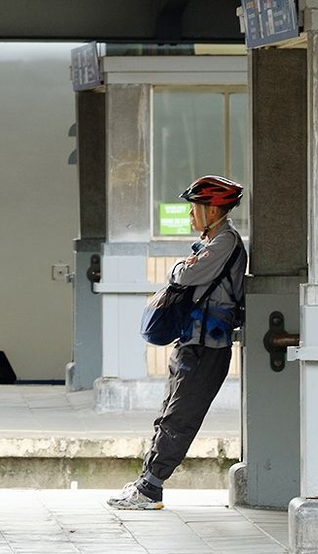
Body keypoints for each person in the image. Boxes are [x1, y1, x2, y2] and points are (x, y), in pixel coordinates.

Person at [108, 174, 247, 511]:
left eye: (194, 208)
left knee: (179, 417)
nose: (189, 214)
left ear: (212, 210)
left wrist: (180, 268)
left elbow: (185, 275)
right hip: (192, 341)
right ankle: (146, 483)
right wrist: (184, 266)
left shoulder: (225, 242)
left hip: (206, 347)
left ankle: (150, 488)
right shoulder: (213, 240)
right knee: (167, 414)